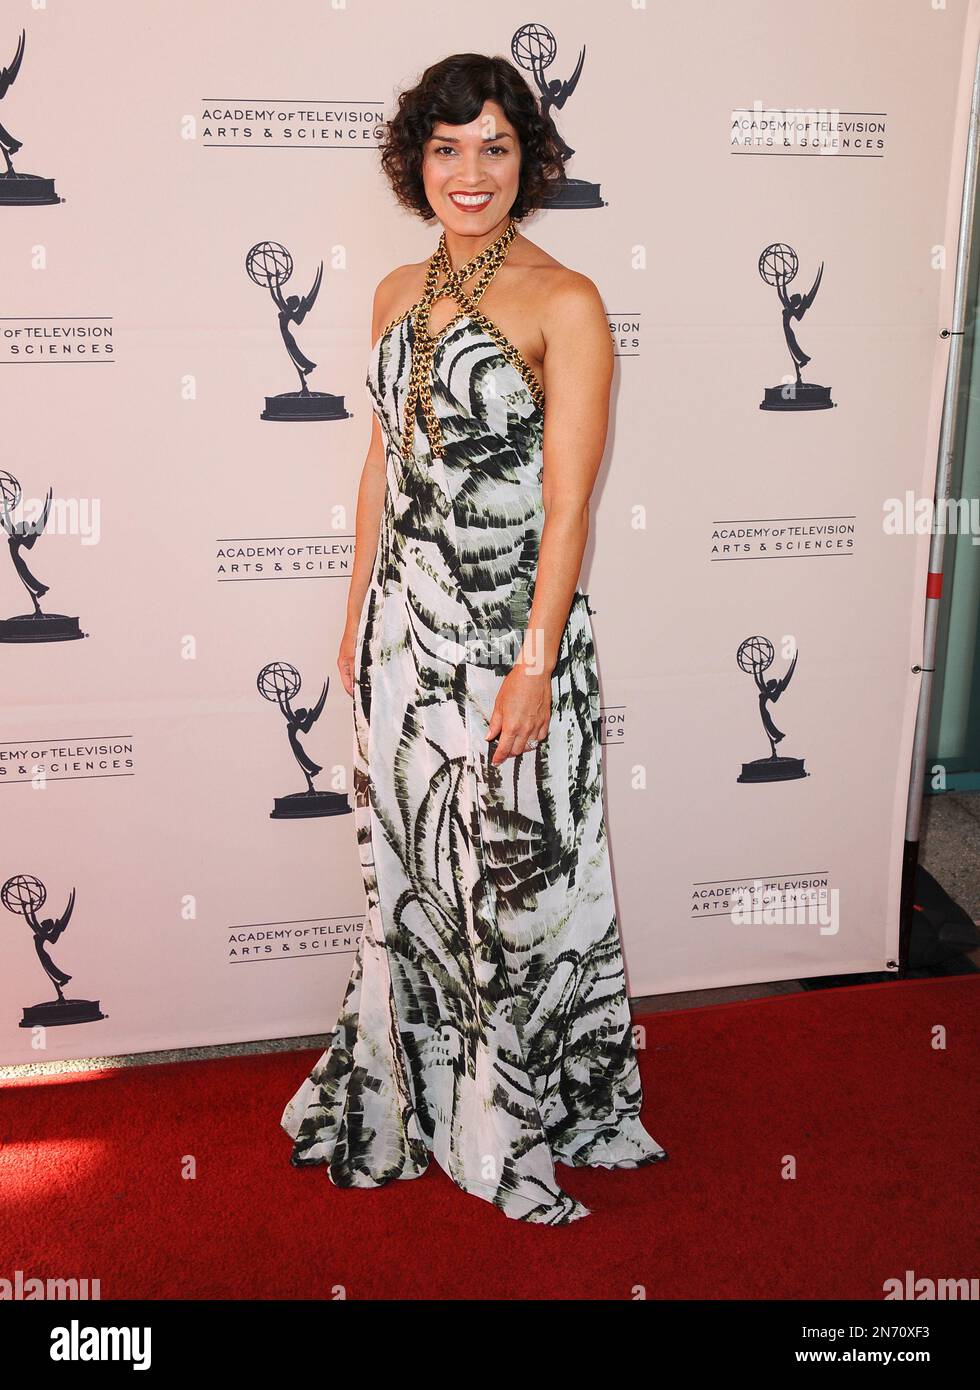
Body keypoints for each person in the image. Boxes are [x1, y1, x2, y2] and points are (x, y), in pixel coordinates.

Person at [281, 52, 667, 1225]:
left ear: (527, 160)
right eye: (447, 148)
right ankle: (414, 1086)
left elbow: (568, 507)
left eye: (493, 146)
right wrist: (355, 615)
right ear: (417, 161)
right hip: (404, 634)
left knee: (506, 884)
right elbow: (380, 463)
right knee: (409, 876)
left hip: (508, 642)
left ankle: (514, 1111)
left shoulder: (566, 301)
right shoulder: (396, 289)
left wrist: (535, 662)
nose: (469, 171)